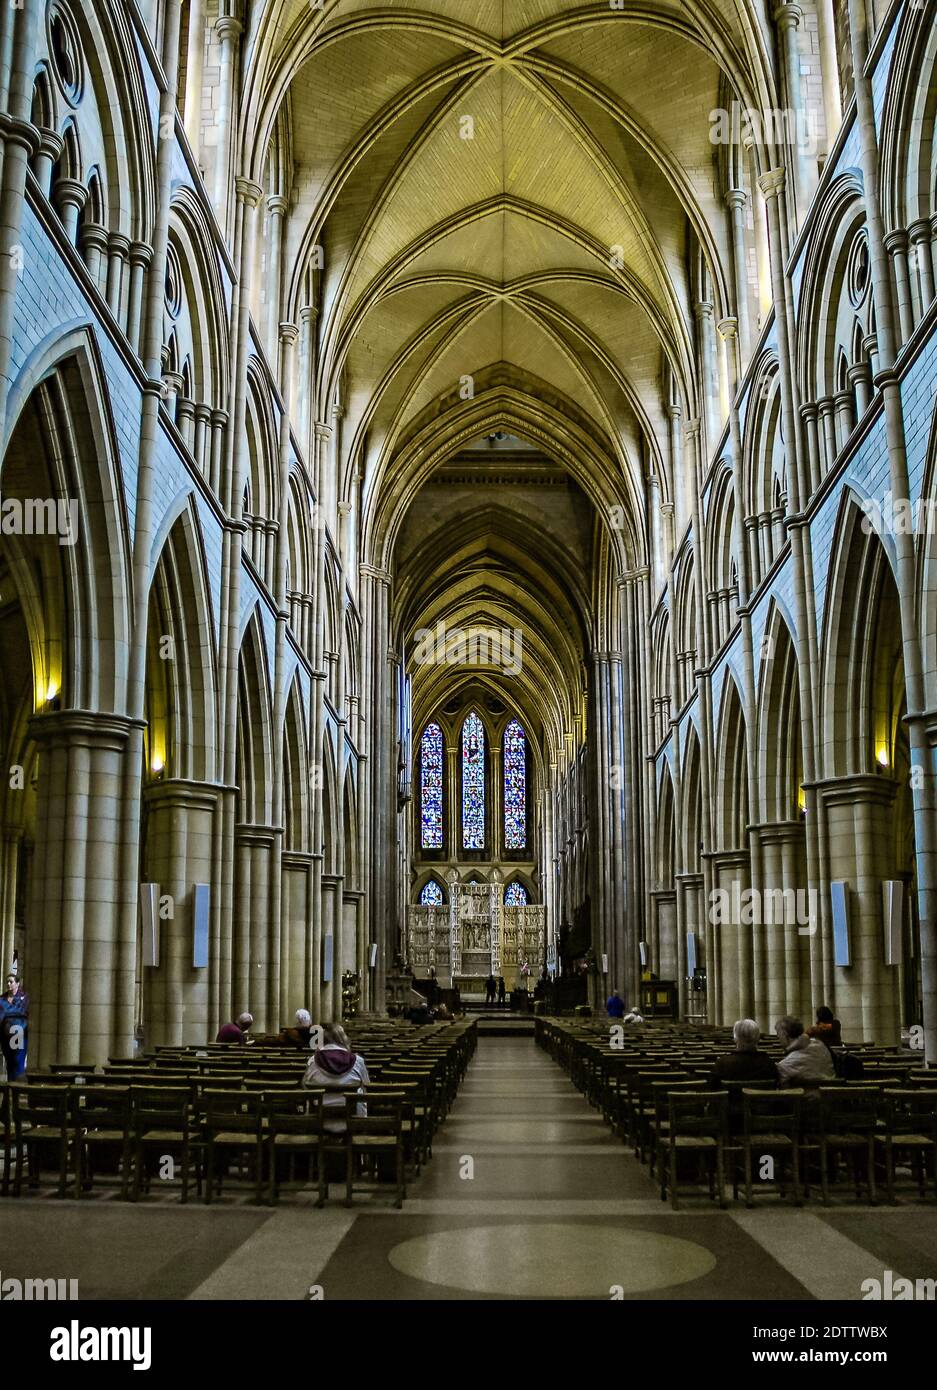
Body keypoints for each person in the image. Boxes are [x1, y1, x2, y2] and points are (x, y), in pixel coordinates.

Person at [304, 1022, 370, 1132]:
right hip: (353, 1121)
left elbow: (306, 1088)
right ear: (343, 1040)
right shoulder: (358, 1061)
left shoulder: (313, 1061)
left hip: (320, 1121)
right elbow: (367, 1086)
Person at [707, 1019, 778, 1088]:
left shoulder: (722, 1064)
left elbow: (713, 1088)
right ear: (758, 1038)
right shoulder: (769, 1064)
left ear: (735, 1038)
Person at [775, 1015, 835, 1086]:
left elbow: (781, 1088)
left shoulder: (785, 1065)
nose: (778, 1038)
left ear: (784, 1034)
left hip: (804, 1096)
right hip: (833, 1094)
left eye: (778, 1034)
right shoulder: (821, 1045)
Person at [0, 974, 29, 1079]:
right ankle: (11, 1085)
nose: (8, 984)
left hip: (20, 1034)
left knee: (18, 1061)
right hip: (5, 1036)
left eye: (11, 982)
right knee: (10, 1062)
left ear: (17, 983)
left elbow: (26, 1013)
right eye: (7, 982)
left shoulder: (24, 998)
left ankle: (17, 1085)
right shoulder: (2, 999)